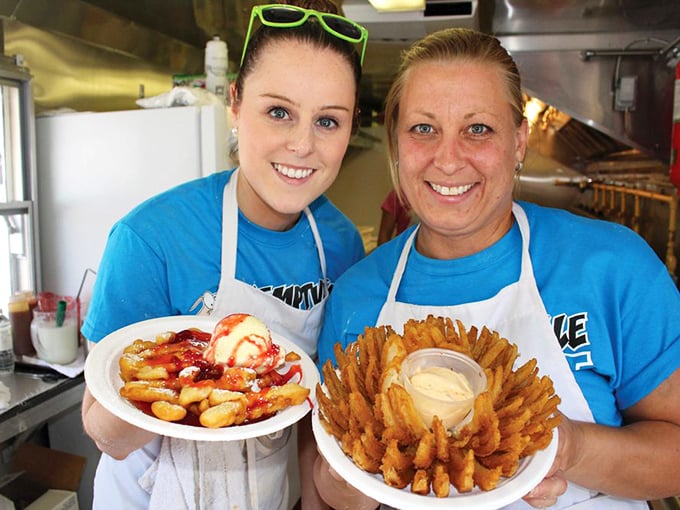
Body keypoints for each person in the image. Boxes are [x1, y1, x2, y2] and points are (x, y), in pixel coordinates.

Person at [314, 27, 680, 510]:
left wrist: (572, 449)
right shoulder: (356, 295)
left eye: (478, 129)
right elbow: (331, 483)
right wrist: (349, 477)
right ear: (397, 147)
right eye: (423, 128)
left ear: (520, 140)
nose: (448, 159)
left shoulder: (611, 266)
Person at [81, 2, 368, 509]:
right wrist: (186, 370)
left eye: (327, 121)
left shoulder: (342, 245)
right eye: (279, 112)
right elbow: (105, 434)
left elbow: (313, 414)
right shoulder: (152, 237)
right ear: (235, 104)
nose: (302, 144)